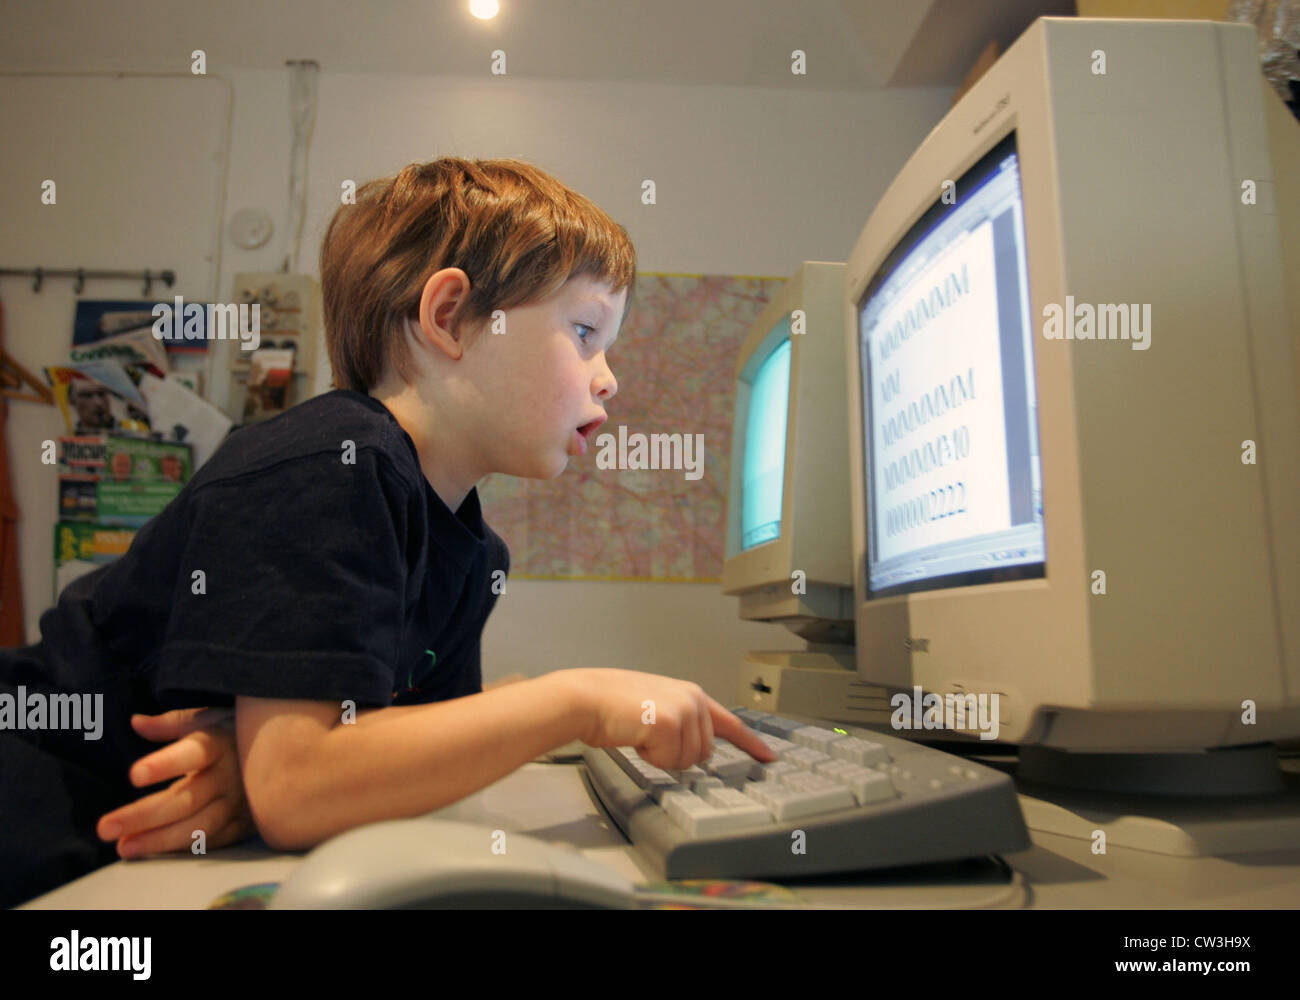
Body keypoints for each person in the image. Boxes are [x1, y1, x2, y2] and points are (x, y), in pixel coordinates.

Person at [0, 157, 773, 907]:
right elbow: (300, 792)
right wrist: (573, 701)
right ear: (450, 318)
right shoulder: (330, 461)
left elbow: (389, 765)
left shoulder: (470, 554)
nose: (609, 378)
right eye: (583, 331)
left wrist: (269, 762)